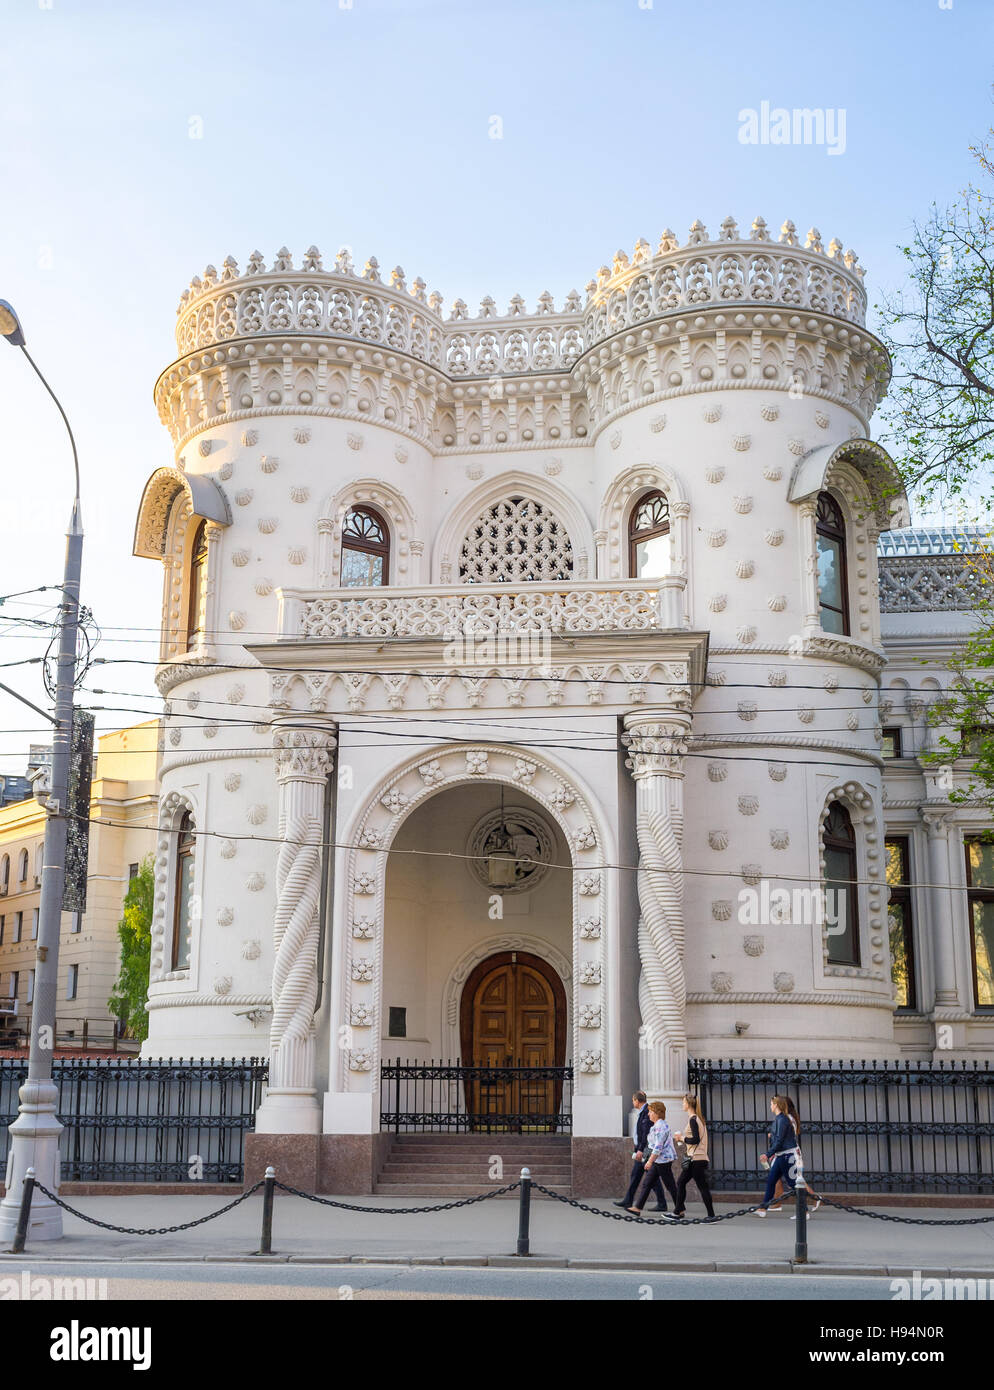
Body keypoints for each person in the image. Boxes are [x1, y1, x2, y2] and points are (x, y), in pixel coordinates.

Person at [668, 1094, 715, 1220]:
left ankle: (711, 1215)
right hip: (695, 1158)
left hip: (696, 1159)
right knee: (681, 1182)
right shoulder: (699, 1119)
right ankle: (678, 1211)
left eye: (683, 1102)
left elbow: (695, 1139)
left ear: (688, 1104)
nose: (682, 1105)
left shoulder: (693, 1120)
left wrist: (681, 1138)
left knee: (702, 1186)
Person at [628, 1101, 679, 1216]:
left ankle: (680, 1209)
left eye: (651, 1112)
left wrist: (649, 1161)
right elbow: (651, 1145)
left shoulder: (660, 1126)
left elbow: (658, 1147)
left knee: (669, 1185)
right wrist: (644, 1157)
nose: (648, 1114)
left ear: (657, 1113)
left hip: (662, 1160)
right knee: (648, 1183)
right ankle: (637, 1208)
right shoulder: (656, 1126)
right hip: (659, 1160)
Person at [755, 1095, 803, 1216]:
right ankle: (762, 1209)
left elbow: (780, 1141)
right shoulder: (779, 1119)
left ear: (776, 1105)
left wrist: (767, 1154)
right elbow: (777, 1140)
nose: (770, 1106)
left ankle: (804, 1211)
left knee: (793, 1184)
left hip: (788, 1156)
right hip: (782, 1155)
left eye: (771, 1104)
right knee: (771, 1181)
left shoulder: (782, 1120)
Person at [614, 1091, 662, 1210]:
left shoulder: (646, 1112)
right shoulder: (643, 1112)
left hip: (645, 1149)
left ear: (637, 1100)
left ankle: (661, 1203)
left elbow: (645, 1133)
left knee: (650, 1176)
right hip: (642, 1148)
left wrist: (640, 1150)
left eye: (633, 1100)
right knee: (636, 1175)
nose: (632, 1102)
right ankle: (628, 1200)